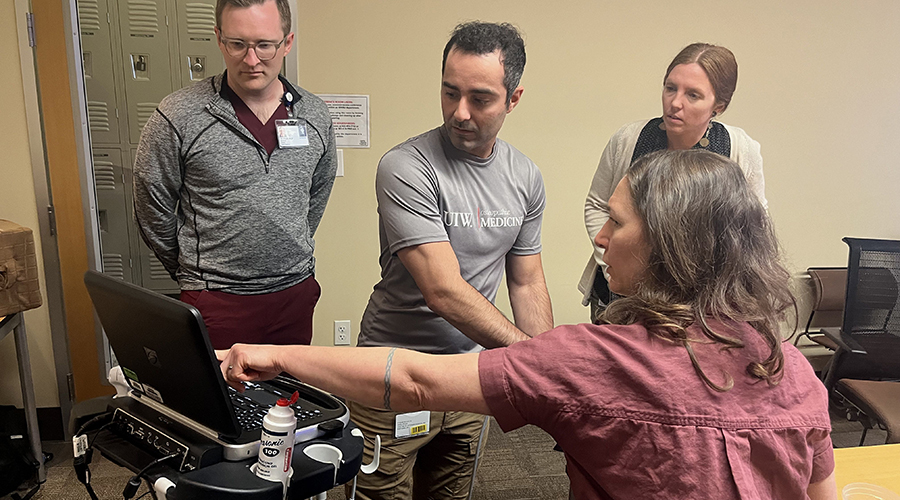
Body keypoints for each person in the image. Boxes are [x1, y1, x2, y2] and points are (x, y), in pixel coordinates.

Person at [220, 149, 837, 500]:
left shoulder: (597, 360)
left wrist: (279, 355)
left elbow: (414, 378)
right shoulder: (793, 368)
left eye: (616, 223)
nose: (599, 236)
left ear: (669, 245)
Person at [349, 21, 553, 499]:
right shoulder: (405, 167)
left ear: (514, 98)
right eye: (449, 93)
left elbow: (526, 282)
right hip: (393, 373)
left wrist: (548, 363)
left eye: (479, 98)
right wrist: (530, 359)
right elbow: (442, 289)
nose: (459, 113)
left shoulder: (525, 177)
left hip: (467, 378)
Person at [133, 0, 337, 349]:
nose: (252, 59)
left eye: (264, 45)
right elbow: (151, 203)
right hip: (216, 299)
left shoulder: (315, 115)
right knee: (222, 401)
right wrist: (191, 268)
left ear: (287, 42)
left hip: (294, 295)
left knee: (289, 400)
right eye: (237, 44)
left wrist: (283, 243)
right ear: (219, 39)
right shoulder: (179, 115)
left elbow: (315, 194)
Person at [579, 43, 766, 321]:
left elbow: (750, 230)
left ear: (719, 106)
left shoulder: (739, 150)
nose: (675, 103)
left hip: (698, 305)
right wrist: (614, 265)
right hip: (620, 292)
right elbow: (597, 204)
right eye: (670, 88)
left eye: (693, 95)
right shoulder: (629, 140)